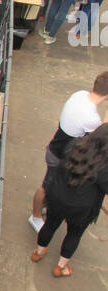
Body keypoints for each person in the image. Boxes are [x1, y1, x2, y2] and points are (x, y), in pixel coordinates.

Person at [29, 73, 108, 230]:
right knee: (46, 187)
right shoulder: (92, 119)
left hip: (55, 146)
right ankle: (36, 216)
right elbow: (101, 134)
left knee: (50, 185)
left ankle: (44, 208)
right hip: (59, 155)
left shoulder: (80, 94)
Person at [31, 131, 108, 278]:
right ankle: (60, 267)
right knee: (74, 235)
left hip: (58, 197)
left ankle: (39, 252)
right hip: (81, 208)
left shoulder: (74, 144)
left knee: (50, 225)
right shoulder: (104, 166)